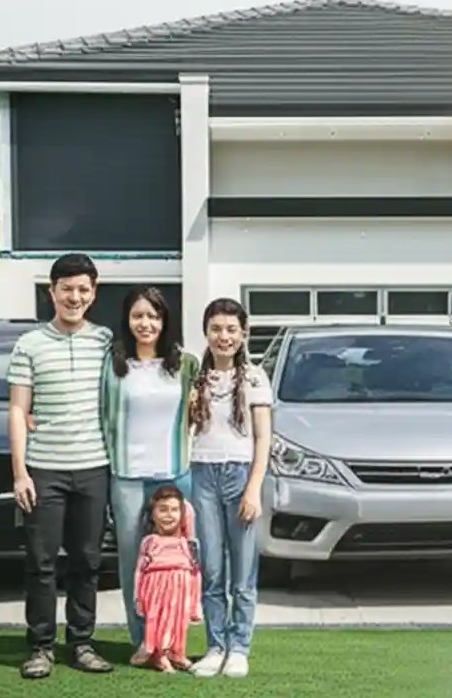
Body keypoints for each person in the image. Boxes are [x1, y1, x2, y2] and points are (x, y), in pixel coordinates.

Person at [7, 252, 115, 679]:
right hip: (43, 470)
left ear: (93, 293)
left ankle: (83, 642)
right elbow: (18, 410)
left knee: (87, 560)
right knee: (41, 562)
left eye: (82, 289)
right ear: (51, 292)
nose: (74, 297)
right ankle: (40, 647)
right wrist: (20, 472)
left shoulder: (107, 341)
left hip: (94, 468)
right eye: (66, 289)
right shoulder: (29, 344)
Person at [98, 286, 200, 665]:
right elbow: (99, 414)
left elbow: (205, 409)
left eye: (154, 316)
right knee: (135, 564)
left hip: (175, 476)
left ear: (165, 321)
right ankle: (144, 641)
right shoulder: (111, 365)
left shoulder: (186, 364)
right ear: (127, 320)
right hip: (126, 476)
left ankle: (173, 642)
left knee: (177, 564)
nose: (146, 323)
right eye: (138, 316)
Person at [186, 298, 272, 679]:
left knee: (243, 569)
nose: (224, 336)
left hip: (240, 475)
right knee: (212, 569)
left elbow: (264, 438)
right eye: (216, 329)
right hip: (202, 473)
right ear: (206, 332)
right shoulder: (195, 377)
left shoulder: (254, 378)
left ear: (243, 334)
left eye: (231, 329)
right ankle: (215, 645)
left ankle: (240, 647)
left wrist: (254, 488)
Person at [133, 485, 203, 673]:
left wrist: (195, 600)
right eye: (162, 510)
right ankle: (160, 655)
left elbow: (195, 571)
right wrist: (138, 598)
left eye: (174, 510)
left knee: (178, 623)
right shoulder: (150, 542)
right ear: (153, 514)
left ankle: (177, 653)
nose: (169, 515)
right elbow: (140, 571)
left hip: (180, 589)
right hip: (156, 591)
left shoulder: (187, 543)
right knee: (159, 622)